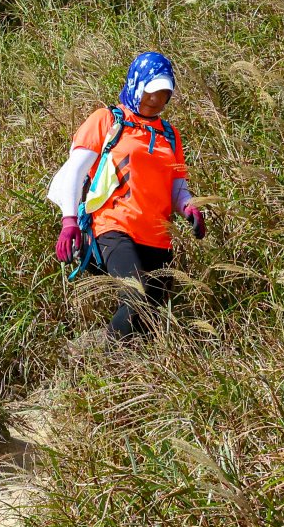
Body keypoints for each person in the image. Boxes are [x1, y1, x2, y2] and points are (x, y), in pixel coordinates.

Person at [45, 51, 206, 340]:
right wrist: (69, 221)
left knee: (149, 324)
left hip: (158, 238)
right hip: (115, 228)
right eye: (151, 91)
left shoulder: (171, 135)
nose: (156, 99)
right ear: (136, 84)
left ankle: (115, 370)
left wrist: (189, 207)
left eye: (164, 93)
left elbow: (177, 184)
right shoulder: (107, 120)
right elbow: (75, 171)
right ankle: (100, 360)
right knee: (136, 299)